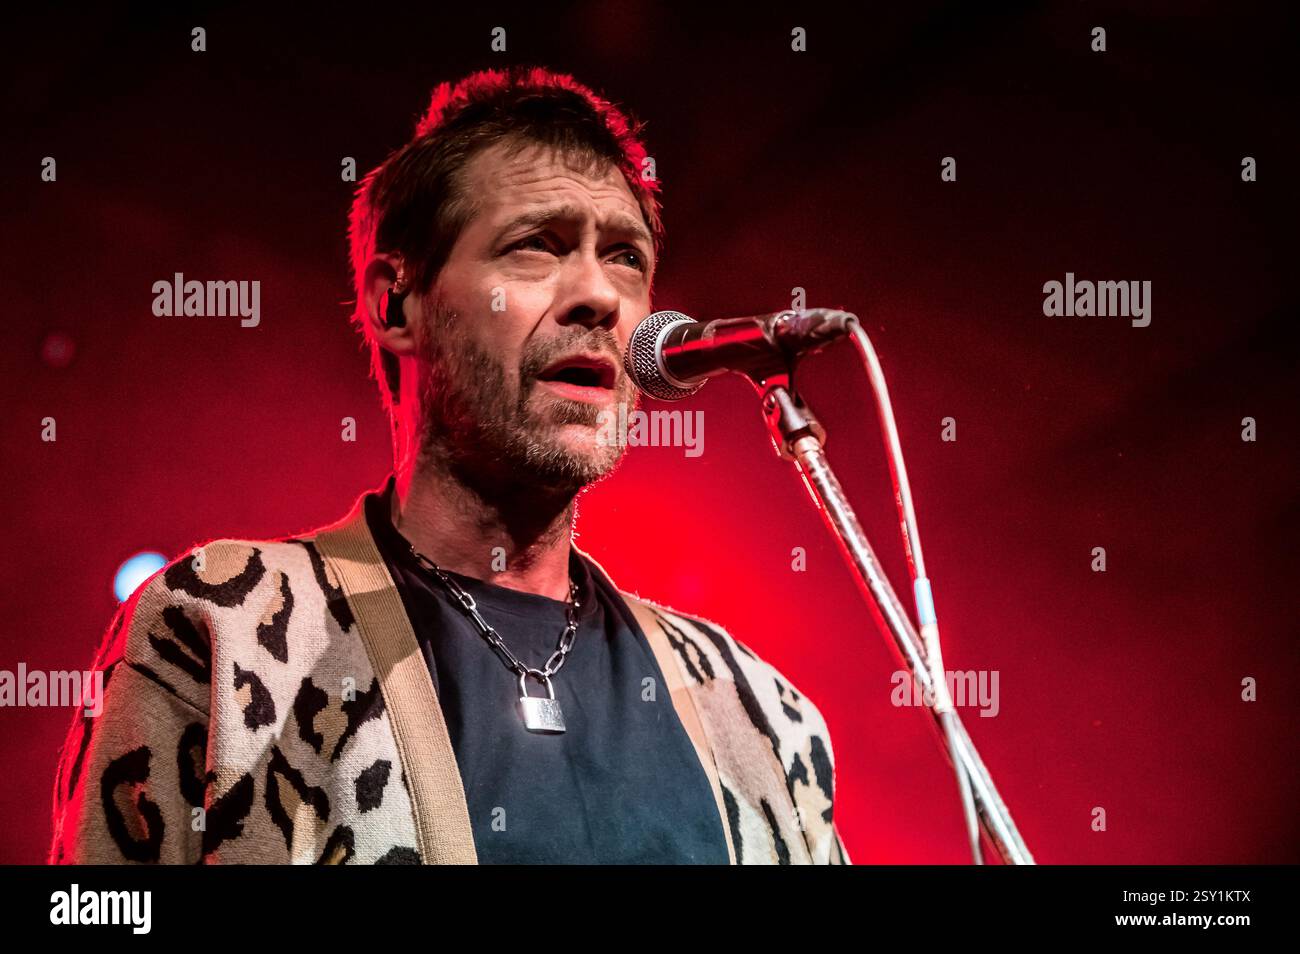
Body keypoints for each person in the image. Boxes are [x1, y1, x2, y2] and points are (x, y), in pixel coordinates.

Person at [49, 65, 849, 865]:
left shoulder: (760, 717)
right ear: (397, 304)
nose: (601, 297)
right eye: (537, 245)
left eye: (626, 258)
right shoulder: (222, 630)